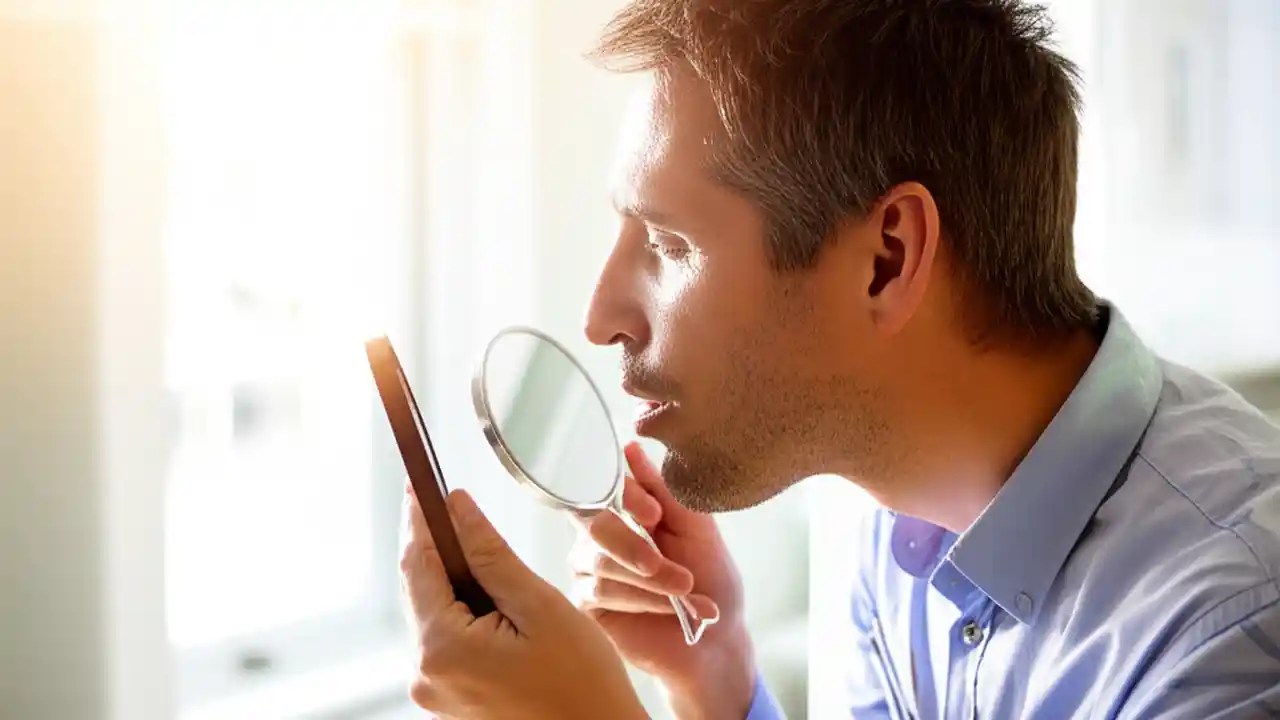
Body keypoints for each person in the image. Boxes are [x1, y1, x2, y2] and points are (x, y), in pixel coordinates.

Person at [396, 0, 1280, 717]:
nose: (601, 319)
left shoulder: (1231, 631)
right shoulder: (900, 518)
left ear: (887, 259)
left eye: (668, 245)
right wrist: (718, 683)